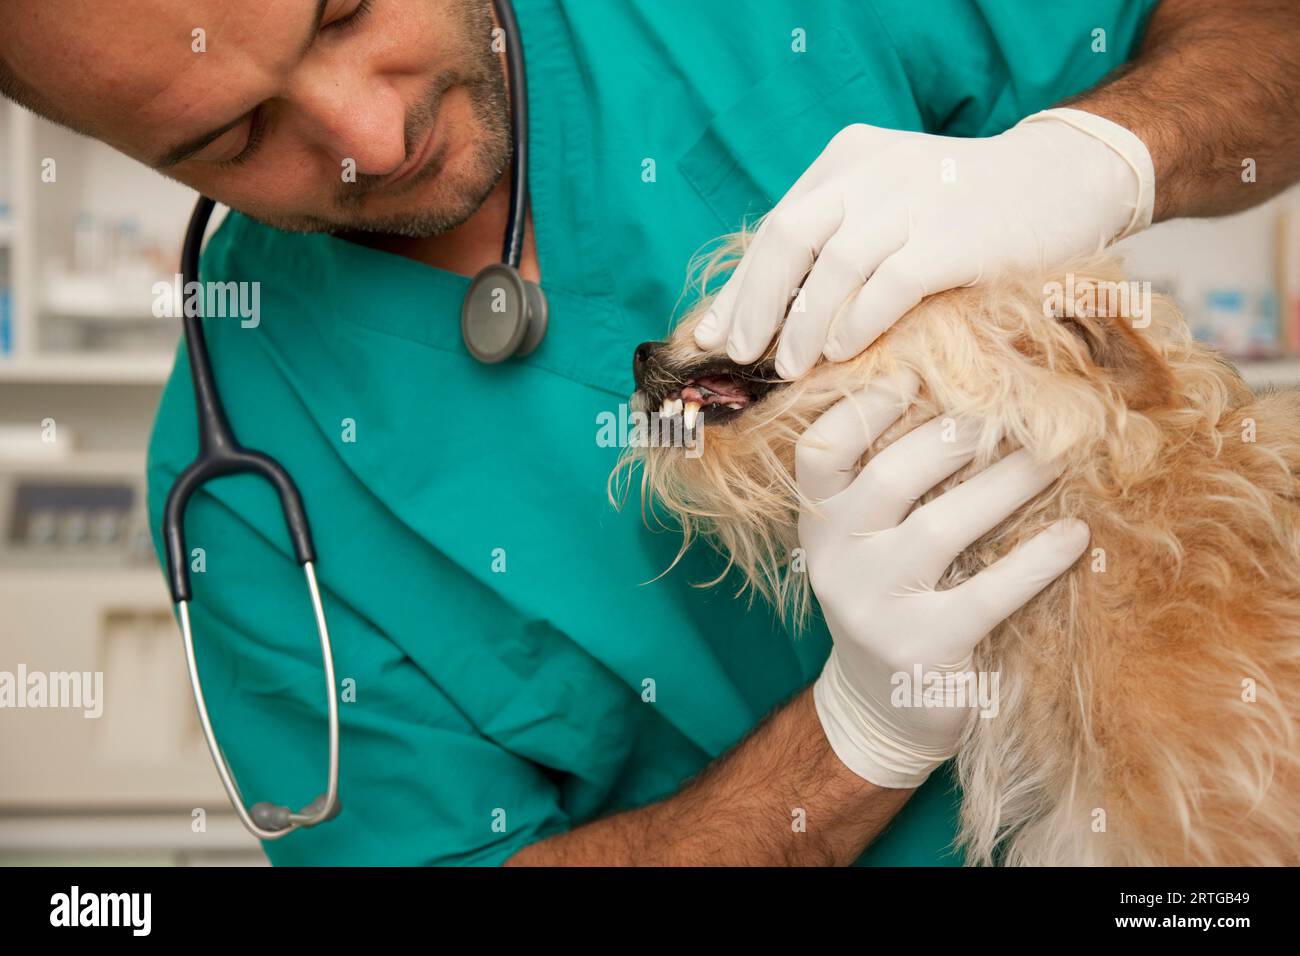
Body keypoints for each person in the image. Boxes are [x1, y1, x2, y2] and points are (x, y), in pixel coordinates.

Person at [2, 0, 1297, 865]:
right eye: (235, 136)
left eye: (347, 6)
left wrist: (1103, 152)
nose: (369, 132)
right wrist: (858, 738)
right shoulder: (248, 490)